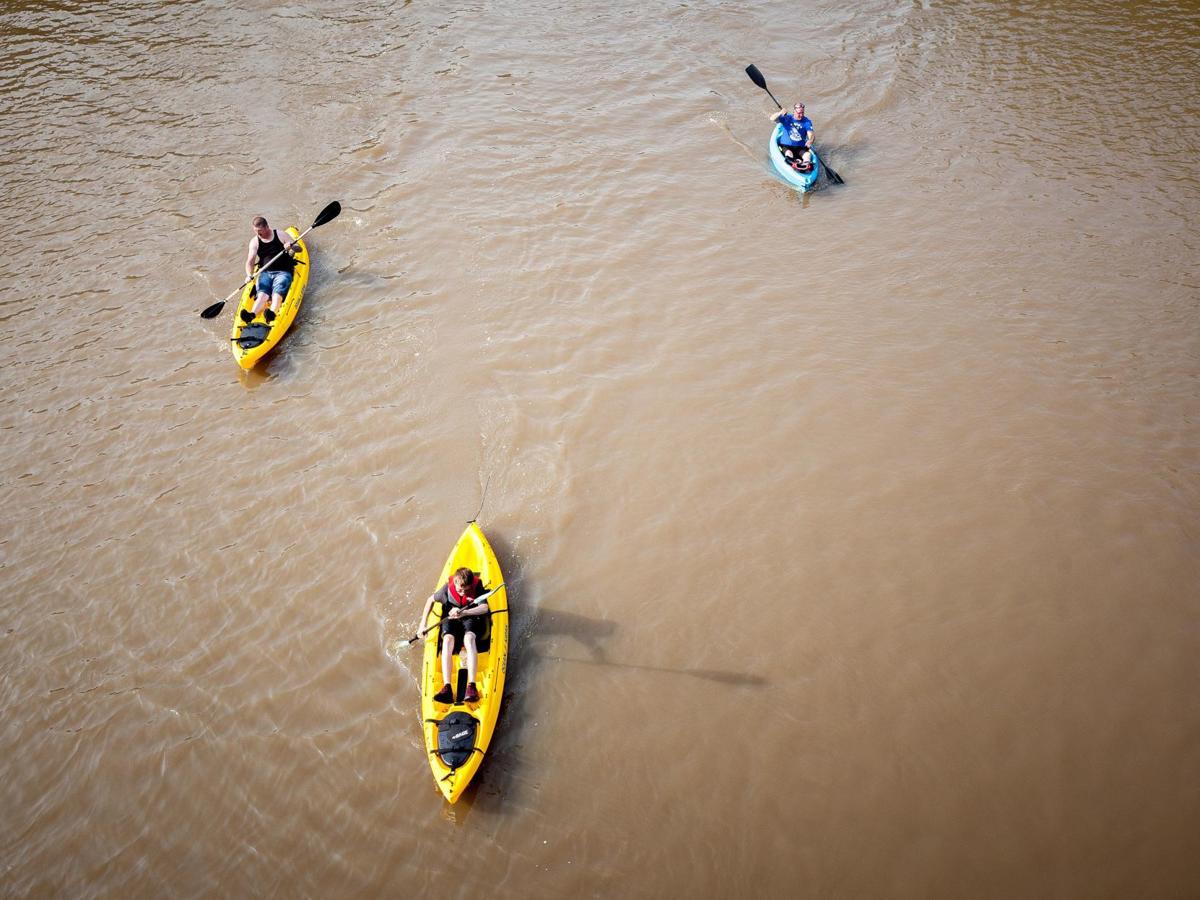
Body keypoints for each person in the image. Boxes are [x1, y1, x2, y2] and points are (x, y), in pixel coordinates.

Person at [419, 567, 491, 704]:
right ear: (455, 584)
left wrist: (465, 613)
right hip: (450, 618)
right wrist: (422, 624)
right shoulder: (447, 589)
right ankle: (447, 687)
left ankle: (472, 686)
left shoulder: (477, 586)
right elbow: (430, 600)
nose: (463, 593)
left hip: (469, 616)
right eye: (460, 590)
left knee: (469, 639)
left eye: (467, 590)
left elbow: (484, 608)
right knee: (447, 641)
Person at [242, 216, 298, 325]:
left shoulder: (280, 234)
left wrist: (291, 246)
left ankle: (271, 314)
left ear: (267, 227)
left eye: (259, 231)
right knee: (262, 294)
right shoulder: (255, 242)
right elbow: (250, 261)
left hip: (283, 271)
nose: (258, 233)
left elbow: (298, 248)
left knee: (277, 293)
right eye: (255, 231)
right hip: (265, 273)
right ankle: (251, 315)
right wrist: (249, 275)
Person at [769, 102, 814, 170]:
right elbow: (772, 118)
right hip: (786, 146)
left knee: (807, 155)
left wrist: (810, 140)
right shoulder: (787, 118)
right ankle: (794, 163)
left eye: (802, 113)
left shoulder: (806, 122)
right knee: (788, 153)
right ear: (794, 112)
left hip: (800, 147)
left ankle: (806, 165)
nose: (801, 115)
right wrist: (780, 113)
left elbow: (811, 134)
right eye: (799, 113)